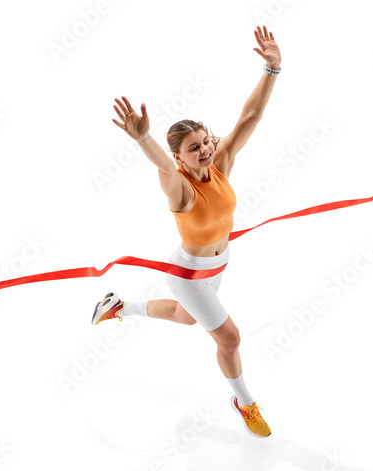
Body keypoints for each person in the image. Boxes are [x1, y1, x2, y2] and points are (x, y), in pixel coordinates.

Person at [90, 26, 282, 438]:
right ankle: (244, 402)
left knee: (185, 317)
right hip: (188, 273)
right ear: (180, 157)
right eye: (193, 148)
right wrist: (143, 140)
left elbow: (250, 116)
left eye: (205, 142)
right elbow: (160, 164)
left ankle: (119, 306)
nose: (204, 150)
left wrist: (272, 69)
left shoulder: (222, 163)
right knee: (229, 339)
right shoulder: (179, 187)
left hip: (219, 264)